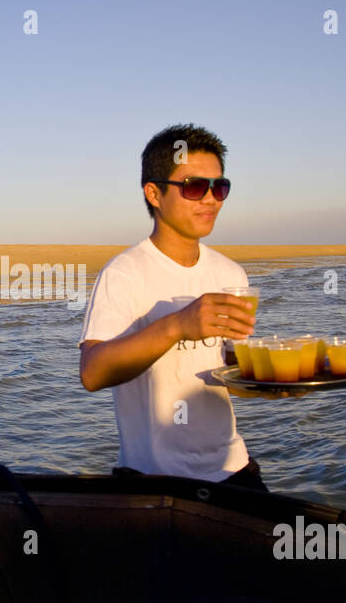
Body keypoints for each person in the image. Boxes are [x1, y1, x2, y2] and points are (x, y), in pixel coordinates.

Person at [78, 124, 268, 491]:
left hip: (234, 469)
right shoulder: (124, 273)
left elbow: (233, 372)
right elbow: (92, 373)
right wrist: (177, 326)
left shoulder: (231, 273)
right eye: (195, 187)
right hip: (154, 479)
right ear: (154, 193)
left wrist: (278, 381)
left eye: (220, 187)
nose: (211, 199)